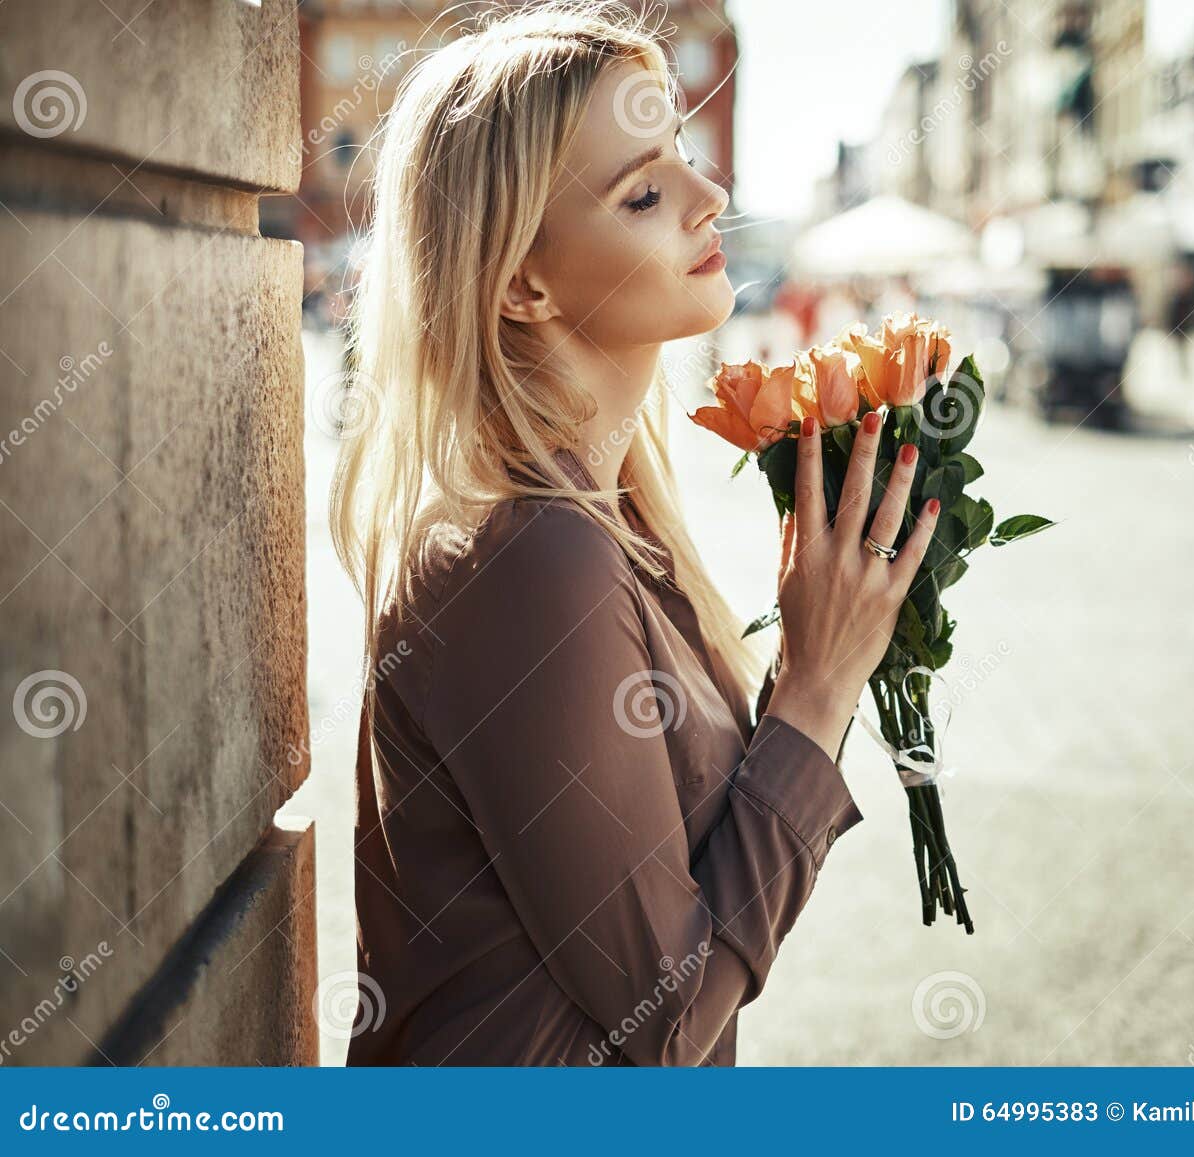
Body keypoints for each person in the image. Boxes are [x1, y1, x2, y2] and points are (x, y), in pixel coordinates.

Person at [332, 2, 939, 1067]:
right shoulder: (533, 553)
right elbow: (662, 1018)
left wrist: (826, 657)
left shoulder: (611, 523)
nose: (711, 198)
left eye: (684, 159)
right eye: (645, 191)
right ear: (522, 281)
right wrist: (815, 690)